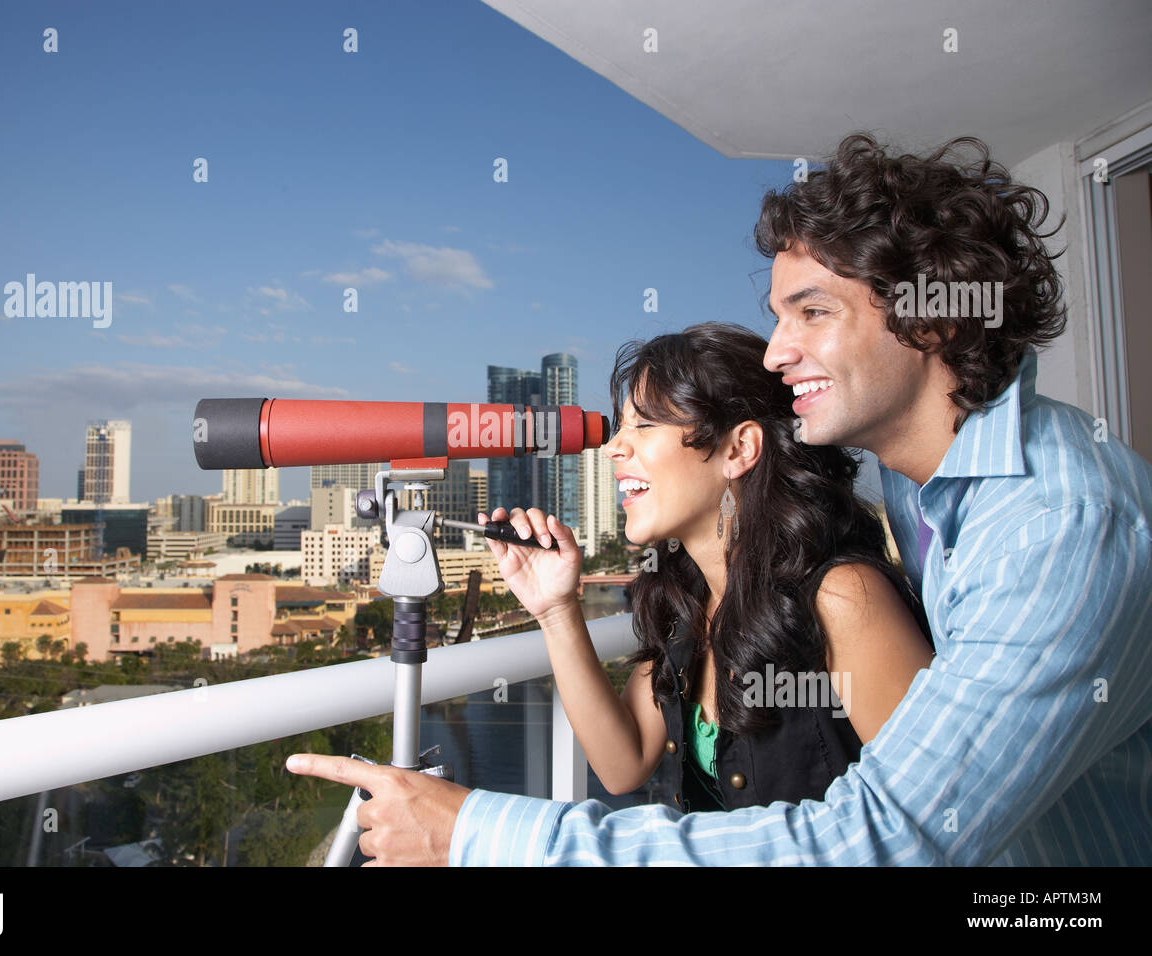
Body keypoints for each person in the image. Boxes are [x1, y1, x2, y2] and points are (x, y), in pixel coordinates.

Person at [287, 133, 1152, 866]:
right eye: (778, 319)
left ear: (935, 321)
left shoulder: (1055, 527)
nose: (778, 354)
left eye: (812, 312)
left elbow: (892, 838)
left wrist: (478, 832)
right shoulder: (920, 479)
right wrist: (555, 607)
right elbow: (626, 766)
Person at [478, 323, 934, 816]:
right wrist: (555, 609)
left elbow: (930, 817)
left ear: (738, 449)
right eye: (620, 426)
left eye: (645, 425)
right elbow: (622, 764)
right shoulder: (689, 605)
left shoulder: (844, 600)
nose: (614, 447)